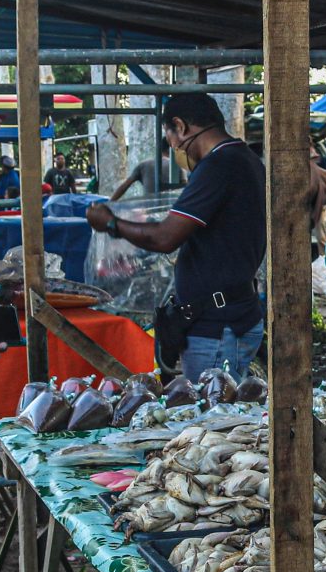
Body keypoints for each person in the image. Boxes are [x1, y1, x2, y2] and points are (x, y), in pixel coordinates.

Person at [85, 92, 264, 378]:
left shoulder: (218, 166)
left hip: (219, 325)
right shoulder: (244, 159)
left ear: (180, 127)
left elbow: (165, 238)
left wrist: (111, 224)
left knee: (213, 419)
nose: (174, 148)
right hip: (228, 316)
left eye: (170, 138)